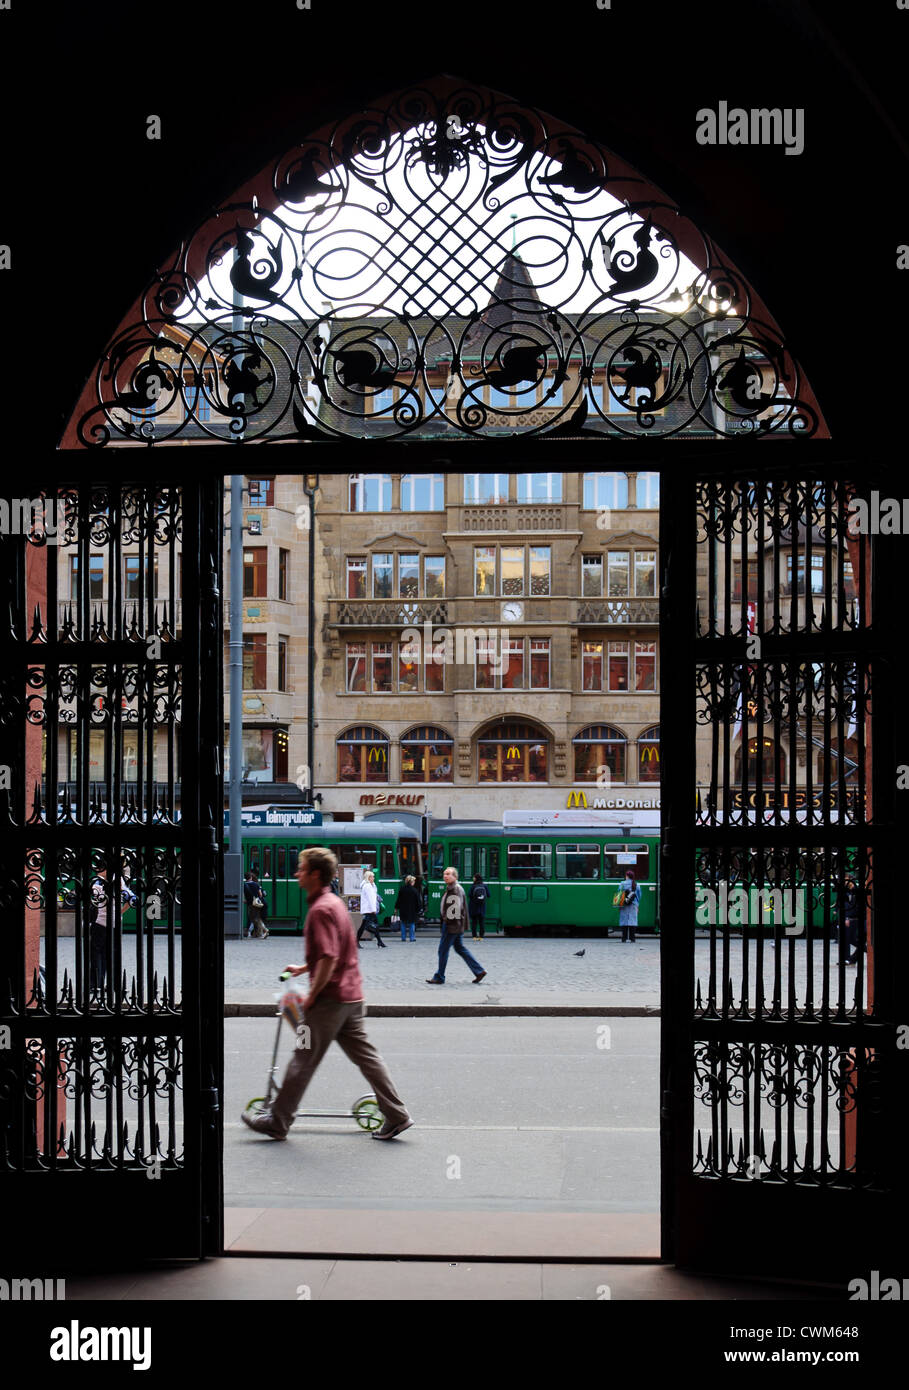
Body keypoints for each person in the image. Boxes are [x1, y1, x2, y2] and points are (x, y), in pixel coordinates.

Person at [241, 846, 413, 1142]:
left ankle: (278, 1122)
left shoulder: (320, 909)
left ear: (315, 874)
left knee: (302, 1058)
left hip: (330, 1000)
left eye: (301, 869)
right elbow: (331, 951)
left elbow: (329, 959)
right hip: (352, 997)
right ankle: (397, 1115)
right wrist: (303, 968)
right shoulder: (335, 903)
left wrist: (311, 996)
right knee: (367, 1058)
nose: (297, 874)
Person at [426, 866, 486, 985]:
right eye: (444, 874)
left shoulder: (454, 889)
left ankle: (439, 976)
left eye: (448, 874)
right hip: (457, 925)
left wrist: (447, 923)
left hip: (452, 925)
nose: (445, 876)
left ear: (455, 876)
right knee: (460, 948)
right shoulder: (453, 888)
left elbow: (454, 911)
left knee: (443, 950)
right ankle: (479, 971)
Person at [89, 863, 136, 999]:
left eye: (100, 868)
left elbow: (132, 899)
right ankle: (113, 985)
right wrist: (119, 913)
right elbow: (132, 899)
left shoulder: (98, 882)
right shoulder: (118, 881)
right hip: (114, 924)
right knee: (112, 954)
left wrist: (118, 912)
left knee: (97, 954)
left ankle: (96, 984)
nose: (97, 870)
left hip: (100, 924)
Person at [356, 869, 386, 948]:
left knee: (369, 925)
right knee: (371, 925)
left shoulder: (371, 885)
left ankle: (379, 941)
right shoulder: (368, 886)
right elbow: (370, 899)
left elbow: (373, 896)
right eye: (372, 877)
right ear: (368, 878)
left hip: (370, 909)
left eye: (373, 877)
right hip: (369, 909)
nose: (373, 878)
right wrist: (373, 910)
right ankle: (379, 942)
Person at [840, 876, 861, 965]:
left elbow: (855, 906)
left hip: (856, 918)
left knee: (852, 939)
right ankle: (851, 959)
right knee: (851, 939)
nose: (844, 882)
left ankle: (867, 950)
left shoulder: (855, 891)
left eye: (846, 880)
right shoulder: (849, 891)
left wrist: (848, 917)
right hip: (853, 918)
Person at [394, 874, 421, 942]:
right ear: (412, 882)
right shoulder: (414, 890)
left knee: (403, 923)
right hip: (412, 910)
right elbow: (418, 901)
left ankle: (403, 938)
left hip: (403, 910)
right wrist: (419, 909)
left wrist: (396, 908)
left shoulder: (402, 889)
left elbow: (398, 899)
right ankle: (412, 938)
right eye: (414, 881)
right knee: (412, 923)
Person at [244, 867, 269, 938]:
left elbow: (244, 897)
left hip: (251, 904)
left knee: (254, 918)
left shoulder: (244, 885)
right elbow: (261, 894)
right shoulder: (256, 884)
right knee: (256, 918)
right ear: (251, 877)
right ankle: (259, 932)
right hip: (257, 903)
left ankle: (264, 930)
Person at [618, 869, 640, 943]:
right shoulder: (637, 884)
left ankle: (624, 938)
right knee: (632, 921)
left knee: (624, 921)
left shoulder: (622, 883)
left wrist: (619, 905)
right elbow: (639, 896)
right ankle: (632, 938)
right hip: (633, 905)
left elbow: (619, 894)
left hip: (624, 904)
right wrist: (637, 905)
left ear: (627, 876)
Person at [468, 872, 488, 940]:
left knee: (474, 922)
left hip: (474, 906)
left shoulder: (473, 886)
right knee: (481, 922)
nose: (473, 878)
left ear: (476, 878)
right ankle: (481, 936)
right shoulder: (484, 886)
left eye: (474, 877)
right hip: (482, 907)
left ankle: (474, 936)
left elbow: (469, 895)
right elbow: (489, 895)